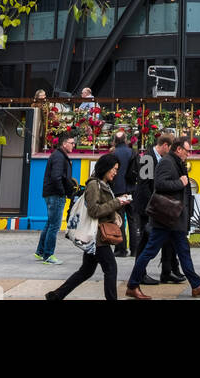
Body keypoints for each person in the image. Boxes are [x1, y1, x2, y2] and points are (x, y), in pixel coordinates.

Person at [126, 137, 200, 300]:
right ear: (178, 149)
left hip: (175, 218)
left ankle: (196, 286)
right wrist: (180, 183)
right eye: (187, 150)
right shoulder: (167, 162)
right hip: (166, 219)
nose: (189, 154)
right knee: (149, 252)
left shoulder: (176, 162)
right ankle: (132, 285)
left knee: (184, 252)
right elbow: (159, 184)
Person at [45, 152, 132, 302]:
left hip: (98, 235)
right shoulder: (94, 185)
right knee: (111, 268)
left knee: (86, 271)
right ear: (106, 167)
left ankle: (56, 295)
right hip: (96, 236)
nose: (116, 172)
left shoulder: (104, 185)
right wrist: (117, 202)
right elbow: (94, 211)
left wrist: (117, 209)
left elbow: (105, 208)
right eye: (114, 169)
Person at [132, 131, 184, 285]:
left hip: (159, 207)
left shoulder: (164, 159)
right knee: (145, 241)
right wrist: (154, 205)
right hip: (147, 208)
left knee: (168, 239)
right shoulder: (148, 158)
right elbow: (144, 186)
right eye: (171, 148)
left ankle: (167, 272)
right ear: (165, 146)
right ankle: (140, 274)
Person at [36, 133, 77, 264]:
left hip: (50, 193)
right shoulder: (59, 157)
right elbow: (56, 177)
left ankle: (40, 251)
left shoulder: (58, 155)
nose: (73, 145)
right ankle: (48, 255)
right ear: (64, 143)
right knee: (54, 225)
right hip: (55, 195)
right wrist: (62, 192)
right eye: (72, 143)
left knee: (49, 223)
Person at [110, 129, 137, 257]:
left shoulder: (113, 153)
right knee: (132, 219)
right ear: (126, 140)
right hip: (131, 189)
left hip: (118, 190)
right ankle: (135, 249)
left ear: (115, 140)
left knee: (119, 219)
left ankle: (121, 249)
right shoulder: (132, 152)